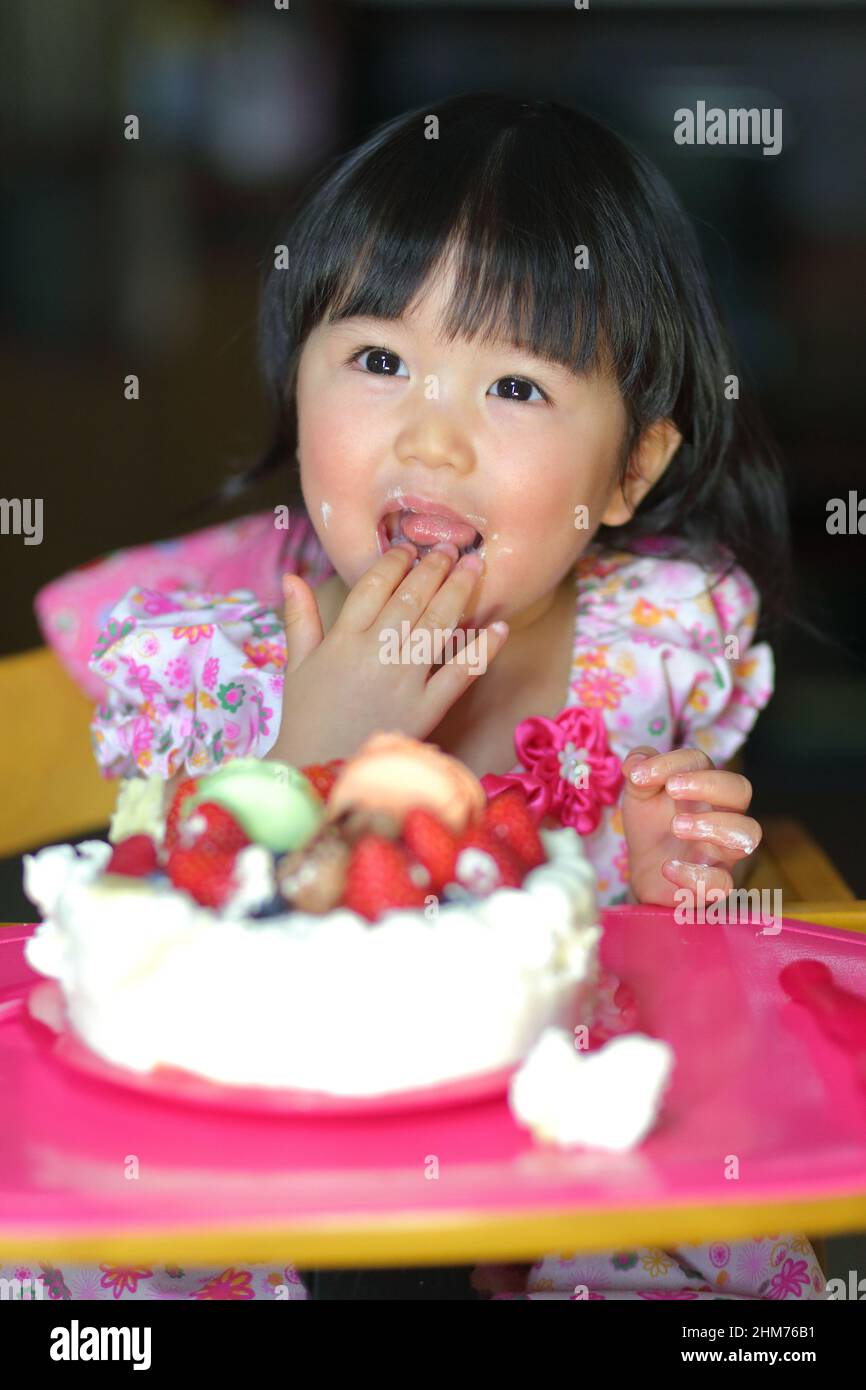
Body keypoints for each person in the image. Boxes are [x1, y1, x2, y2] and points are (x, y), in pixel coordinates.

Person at [36, 94, 826, 1300]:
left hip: (555, 1130)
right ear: (294, 385)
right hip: (264, 1130)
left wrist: (663, 880)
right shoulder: (207, 668)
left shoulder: (654, 638)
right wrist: (312, 751)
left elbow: (640, 966)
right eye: (378, 360)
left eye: (514, 388)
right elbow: (153, 971)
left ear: (628, 469)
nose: (431, 440)